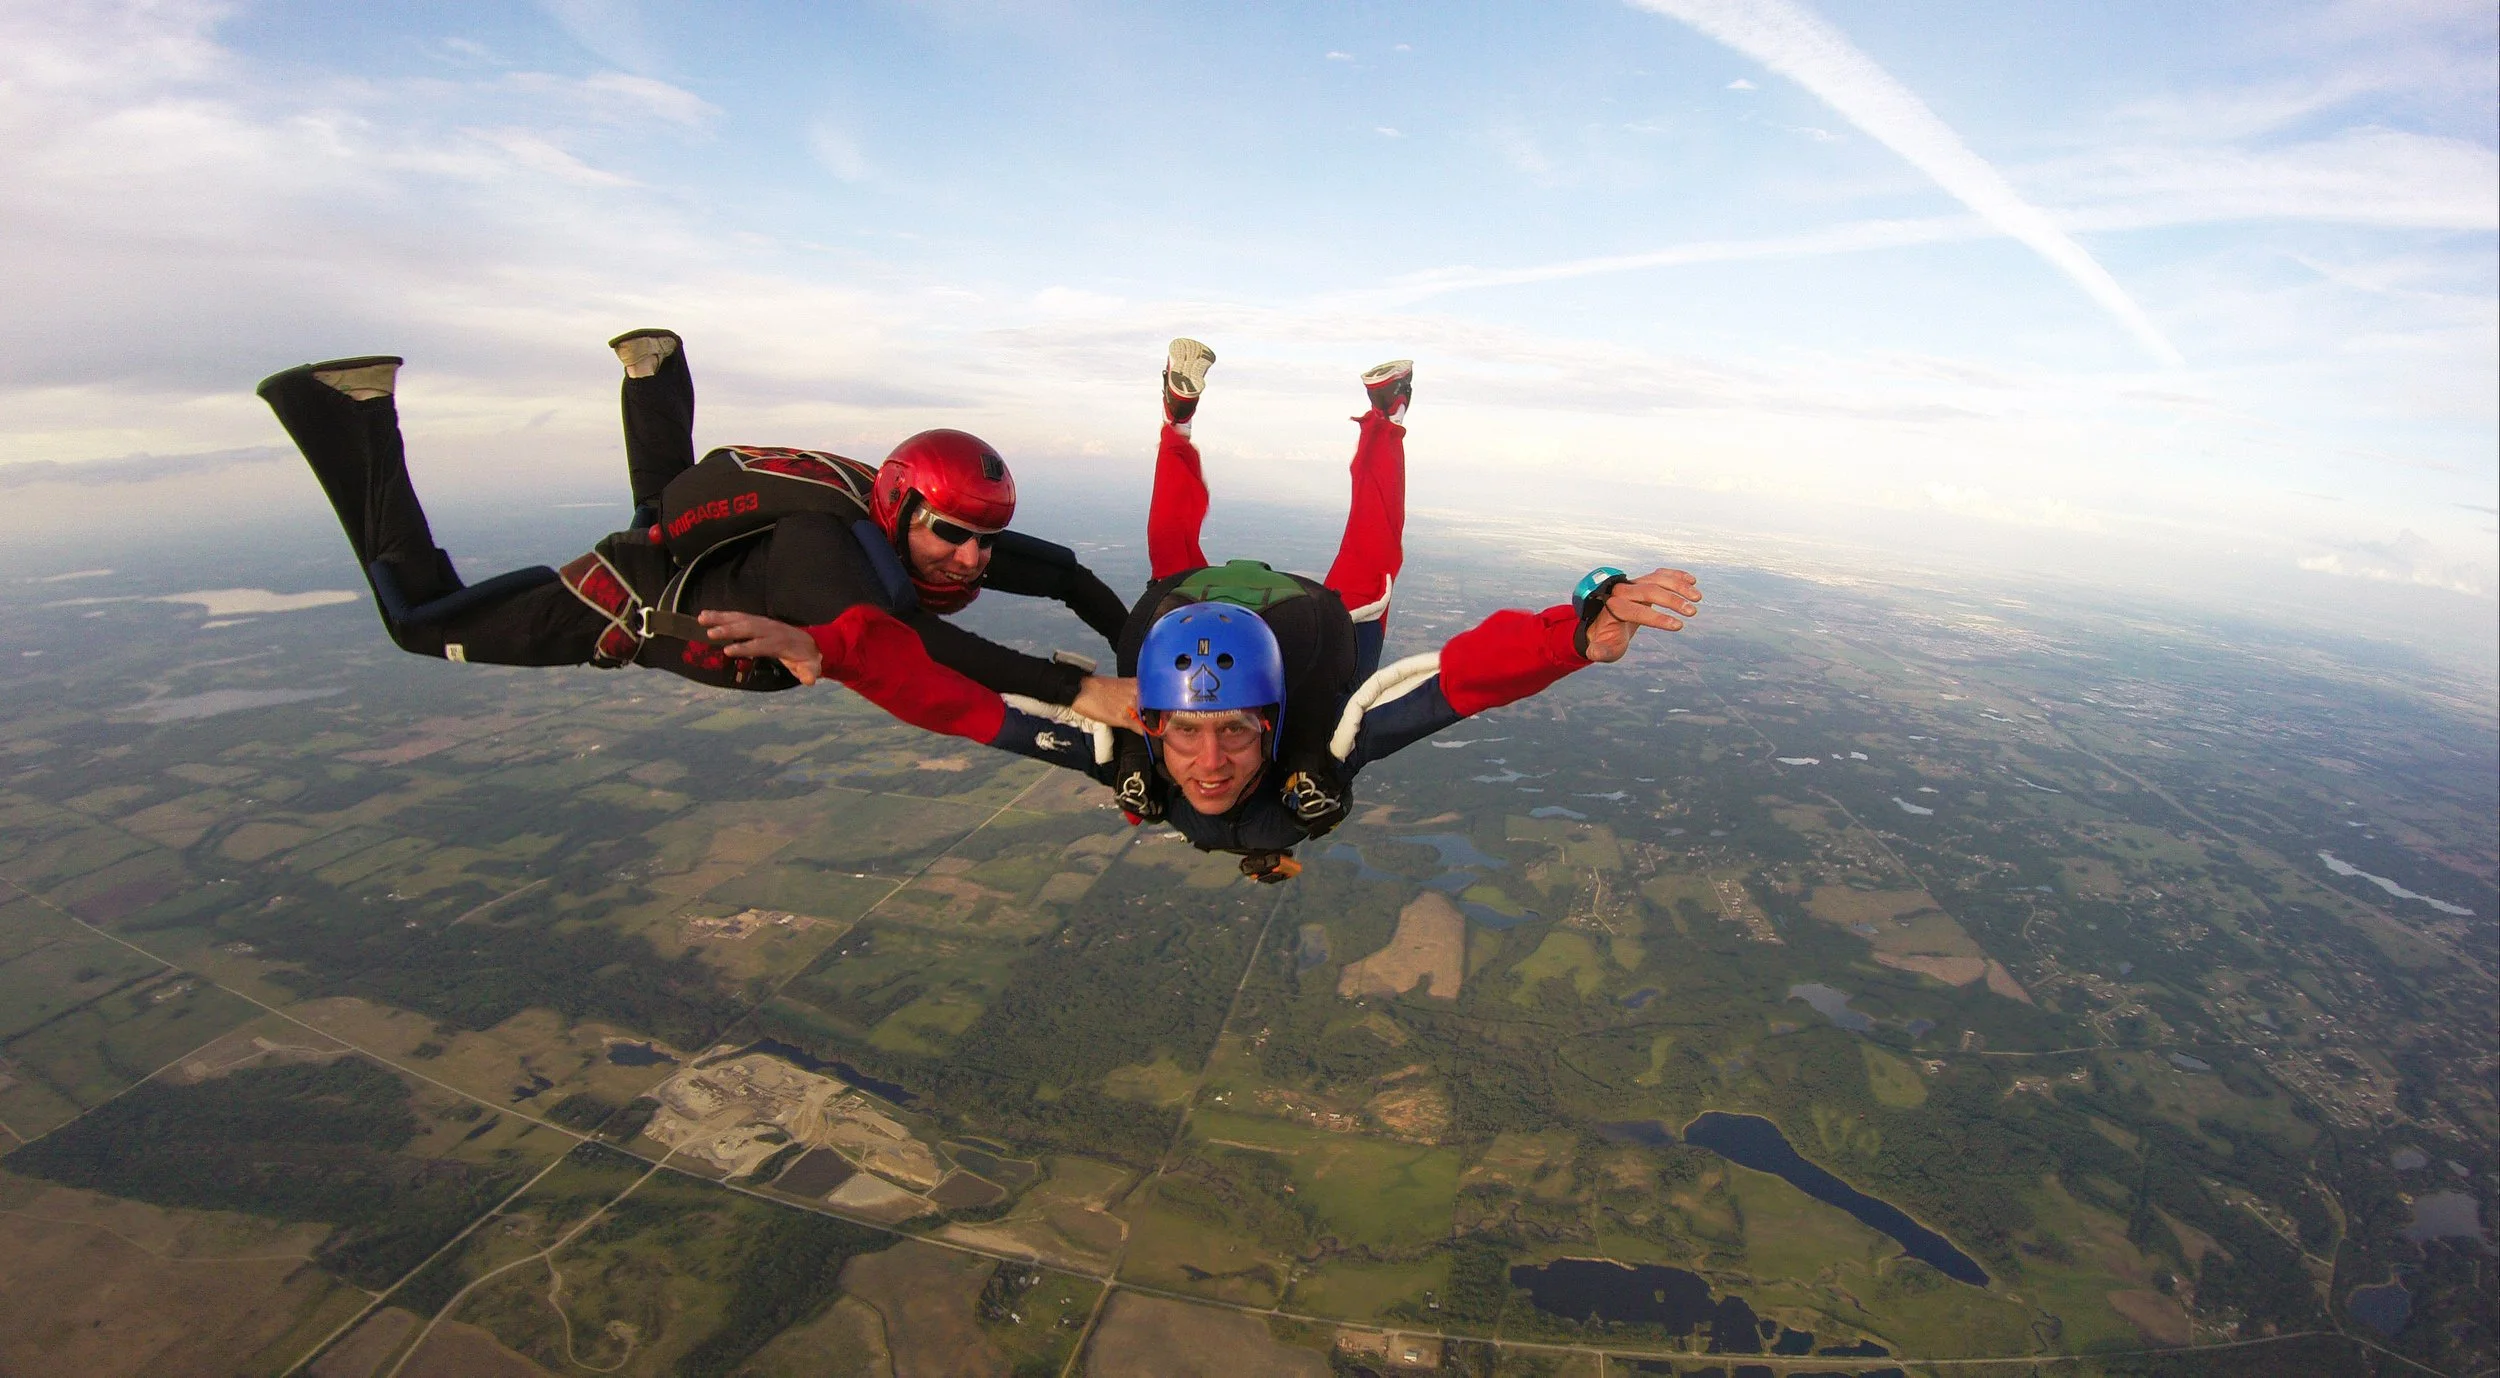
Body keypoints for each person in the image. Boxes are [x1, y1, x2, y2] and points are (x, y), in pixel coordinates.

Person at [706, 341, 1704, 881]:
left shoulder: (1132, 744)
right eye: (1202, 737)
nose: (1212, 761)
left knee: (1191, 569)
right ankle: (1379, 418)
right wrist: (1573, 630)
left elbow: (957, 706)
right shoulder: (1314, 744)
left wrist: (839, 652)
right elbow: (1445, 689)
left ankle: (1183, 426)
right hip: (1298, 640)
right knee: (1337, 570)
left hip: (1180, 634)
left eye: (1210, 737)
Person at [256, 332, 1135, 741]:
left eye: (987, 539)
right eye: (956, 535)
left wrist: (1137, 639)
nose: (973, 558)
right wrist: (1089, 693)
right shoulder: (823, 557)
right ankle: (347, 409)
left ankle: (656, 371)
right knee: (418, 620)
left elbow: (1064, 575)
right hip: (628, 599)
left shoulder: (919, 531)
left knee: (661, 507)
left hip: (693, 558)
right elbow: (925, 648)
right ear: (903, 507)